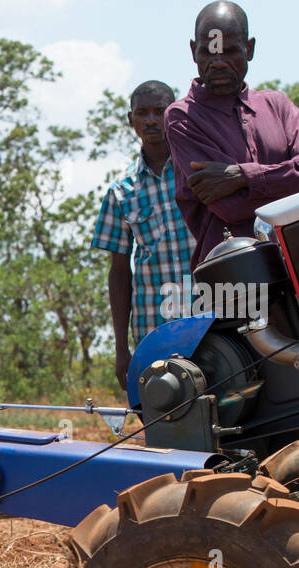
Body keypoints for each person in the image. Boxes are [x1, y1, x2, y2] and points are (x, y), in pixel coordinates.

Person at [165, 1, 299, 269]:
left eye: (230, 50)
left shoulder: (277, 105)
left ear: (250, 48)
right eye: (208, 52)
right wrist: (293, 184)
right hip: (239, 280)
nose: (218, 62)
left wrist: (242, 177)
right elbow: (229, 208)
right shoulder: (183, 116)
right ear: (193, 51)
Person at [92, 81, 197, 391]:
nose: (151, 120)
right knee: (167, 412)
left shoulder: (199, 172)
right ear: (131, 120)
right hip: (155, 327)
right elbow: (119, 272)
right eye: (142, 113)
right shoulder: (122, 191)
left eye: (160, 111)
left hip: (210, 316)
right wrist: (121, 349)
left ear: (175, 113)